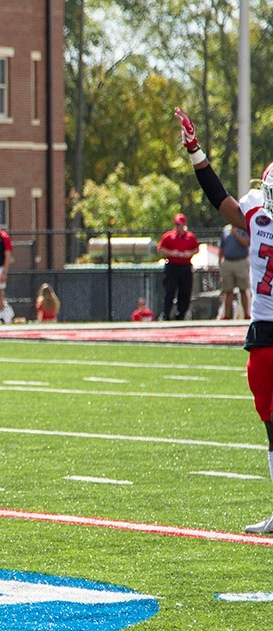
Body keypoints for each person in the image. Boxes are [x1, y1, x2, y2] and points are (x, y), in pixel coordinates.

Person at [176, 106, 273, 534]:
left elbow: (218, 198)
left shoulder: (254, 213)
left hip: (265, 335)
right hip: (265, 335)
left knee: (272, 430)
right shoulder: (254, 213)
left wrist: (196, 150)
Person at [157, 213, 199, 321]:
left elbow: (196, 249)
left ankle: (181, 314)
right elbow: (161, 249)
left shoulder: (190, 237)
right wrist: (172, 253)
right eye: (177, 224)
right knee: (170, 291)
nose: (178, 227)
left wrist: (189, 253)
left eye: (180, 224)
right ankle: (166, 314)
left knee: (185, 291)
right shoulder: (168, 236)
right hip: (172, 266)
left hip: (185, 266)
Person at [219, 222, 251, 320]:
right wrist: (219, 261)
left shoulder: (244, 229)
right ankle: (227, 315)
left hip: (241, 261)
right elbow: (222, 247)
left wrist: (237, 234)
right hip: (228, 261)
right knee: (228, 291)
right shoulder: (225, 230)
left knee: (243, 289)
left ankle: (246, 314)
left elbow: (247, 243)